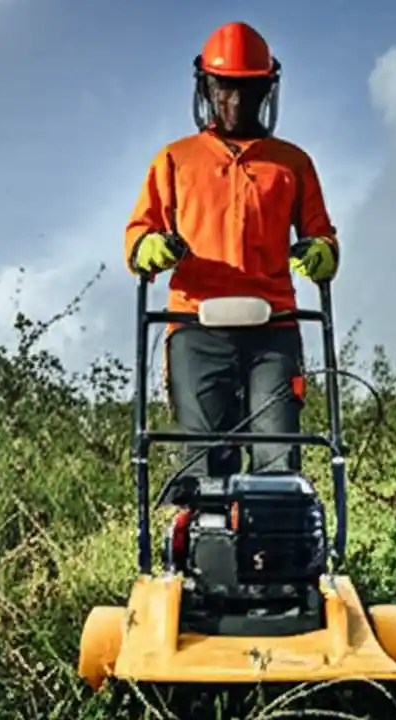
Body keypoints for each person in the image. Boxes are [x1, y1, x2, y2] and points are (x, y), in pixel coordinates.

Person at [124, 20, 340, 478]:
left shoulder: (292, 164)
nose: (237, 102)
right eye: (225, 89)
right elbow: (139, 233)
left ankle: (277, 546)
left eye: (249, 90)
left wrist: (321, 252)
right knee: (205, 465)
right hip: (195, 326)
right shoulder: (175, 160)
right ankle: (200, 544)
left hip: (274, 328)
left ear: (267, 89)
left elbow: (323, 235)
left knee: (278, 459)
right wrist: (149, 249)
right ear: (206, 86)